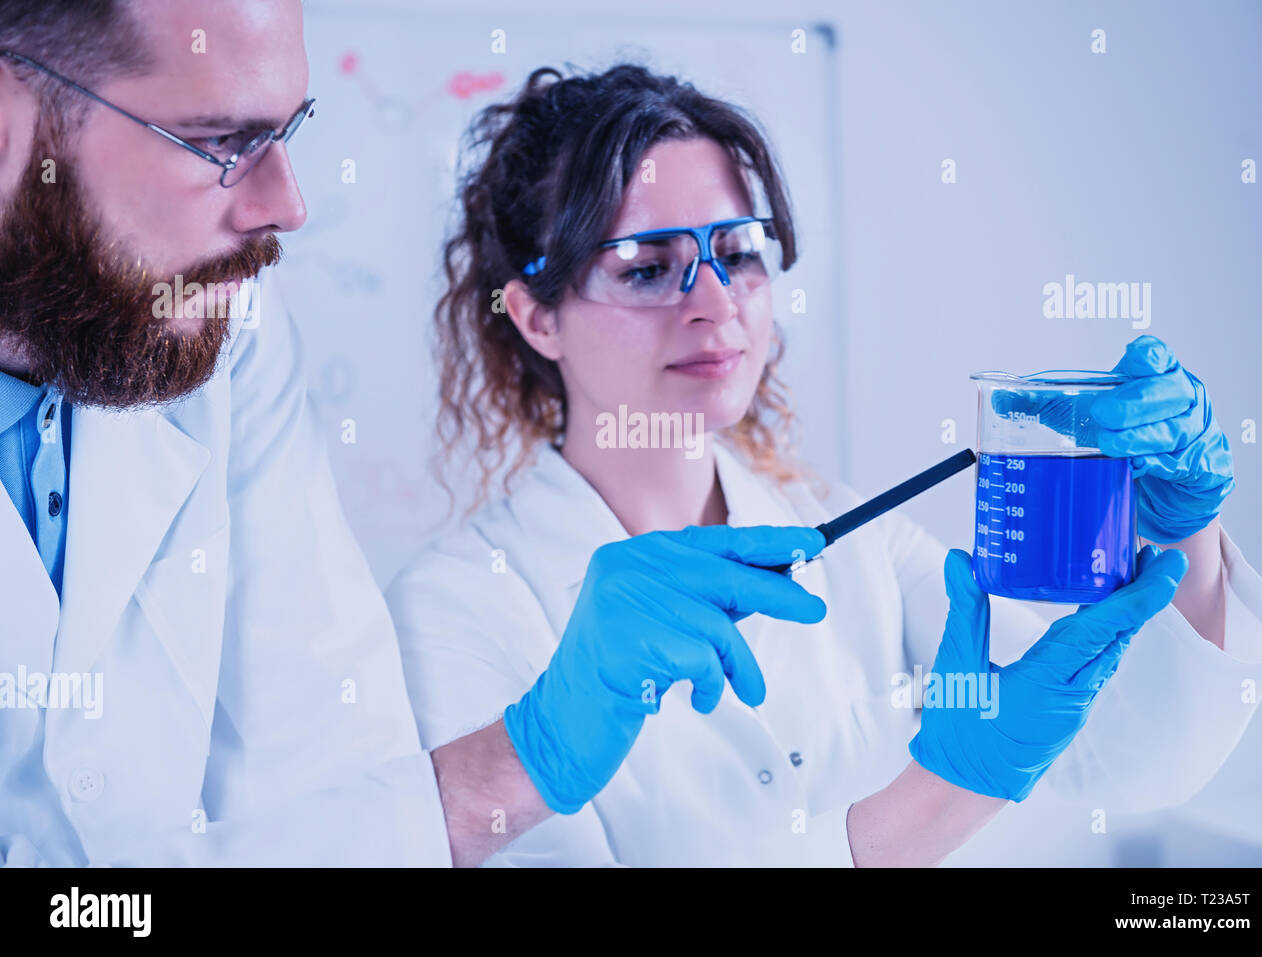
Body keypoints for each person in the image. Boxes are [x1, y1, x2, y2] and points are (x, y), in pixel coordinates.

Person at [386, 64, 1262, 866]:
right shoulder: (460, 605)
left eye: (737, 253)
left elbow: (1129, 760)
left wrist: (1185, 535)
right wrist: (945, 792)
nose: (715, 304)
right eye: (645, 266)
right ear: (536, 316)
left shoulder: (850, 536)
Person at [0, 1, 829, 867]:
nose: (287, 206)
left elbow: (323, 780)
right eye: (218, 142)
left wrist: (517, 763)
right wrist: (526, 757)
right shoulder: (465, 600)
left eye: (289, 133)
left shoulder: (226, 330)